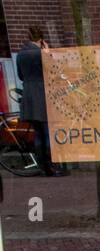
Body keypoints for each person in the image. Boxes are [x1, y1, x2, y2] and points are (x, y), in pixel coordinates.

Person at [16, 24, 54, 175]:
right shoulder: (40, 53)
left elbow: (20, 76)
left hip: (29, 96)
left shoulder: (20, 54)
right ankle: (52, 167)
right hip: (41, 95)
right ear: (41, 39)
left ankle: (43, 167)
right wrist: (48, 52)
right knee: (47, 132)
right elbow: (52, 70)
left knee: (38, 133)